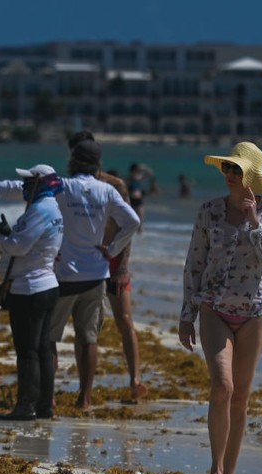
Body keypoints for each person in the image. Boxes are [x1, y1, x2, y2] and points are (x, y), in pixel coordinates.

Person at [0, 140, 140, 410]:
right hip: (95, 276)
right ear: (98, 165)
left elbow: (19, 189)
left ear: (73, 162)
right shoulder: (107, 191)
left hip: (63, 277)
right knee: (89, 338)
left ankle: (49, 398)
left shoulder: (62, 187)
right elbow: (133, 222)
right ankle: (85, 399)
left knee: (48, 340)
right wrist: (112, 250)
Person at [179, 142, 262, 474]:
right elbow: (194, 263)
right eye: (227, 168)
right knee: (221, 386)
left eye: (236, 170)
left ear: (251, 176)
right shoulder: (208, 211)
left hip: (255, 312)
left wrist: (255, 223)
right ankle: (214, 470)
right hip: (214, 309)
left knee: (241, 396)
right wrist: (186, 314)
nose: (229, 175)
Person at [0, 164, 64, 420]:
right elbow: (27, 241)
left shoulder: (40, 209)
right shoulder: (50, 208)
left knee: (27, 351)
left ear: (40, 183)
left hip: (30, 289)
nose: (24, 186)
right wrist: (8, 232)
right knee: (42, 350)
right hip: (44, 286)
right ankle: (44, 407)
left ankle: (26, 407)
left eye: (28, 181)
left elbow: (19, 247)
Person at [69, 133, 148, 402]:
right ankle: (85, 387)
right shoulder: (71, 185)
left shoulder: (115, 185)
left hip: (113, 258)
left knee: (124, 320)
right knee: (86, 327)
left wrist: (122, 266)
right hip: (85, 261)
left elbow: (128, 227)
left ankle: (135, 379)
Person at [127, 162, 155, 233]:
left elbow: (150, 173)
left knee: (140, 218)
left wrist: (144, 167)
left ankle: (140, 235)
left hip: (139, 200)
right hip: (131, 200)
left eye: (138, 171)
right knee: (132, 219)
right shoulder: (129, 179)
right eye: (136, 171)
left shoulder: (139, 178)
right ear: (132, 171)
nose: (137, 173)